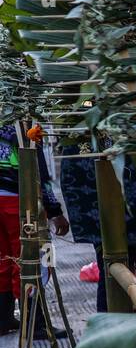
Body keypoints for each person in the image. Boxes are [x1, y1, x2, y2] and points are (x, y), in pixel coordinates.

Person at [0, 124, 69, 336]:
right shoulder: (25, 129)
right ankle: (34, 323)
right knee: (31, 260)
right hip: (18, 201)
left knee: (4, 260)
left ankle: (3, 319)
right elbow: (39, 175)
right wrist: (54, 210)